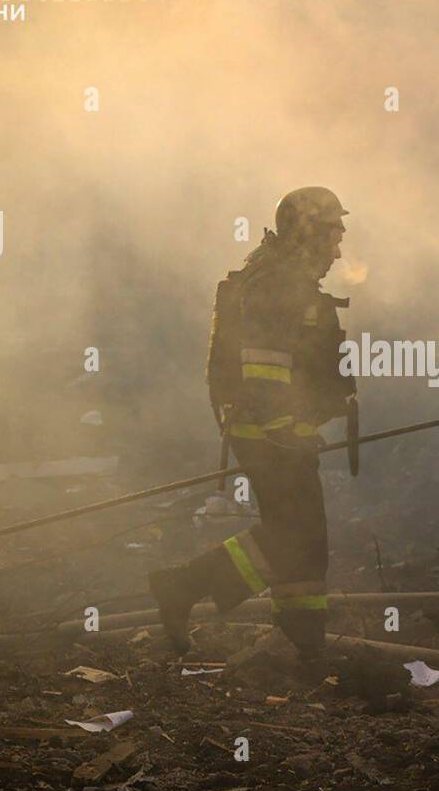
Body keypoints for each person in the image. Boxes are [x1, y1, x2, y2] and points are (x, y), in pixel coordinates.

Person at [148, 186, 355, 661]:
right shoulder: (279, 281)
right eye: (332, 235)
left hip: (273, 428)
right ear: (307, 233)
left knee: (300, 537)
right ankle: (184, 586)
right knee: (297, 536)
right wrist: (284, 426)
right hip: (268, 431)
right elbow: (261, 362)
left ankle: (301, 639)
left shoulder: (281, 274)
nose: (338, 249)